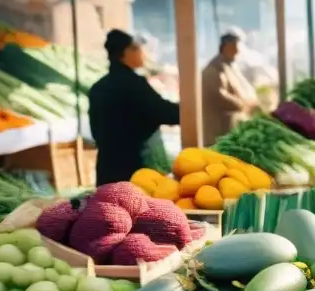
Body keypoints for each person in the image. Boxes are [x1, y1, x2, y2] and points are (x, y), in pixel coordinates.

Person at [88, 29, 179, 186]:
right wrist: (189, 109)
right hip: (136, 172)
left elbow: (96, 131)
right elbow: (165, 113)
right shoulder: (135, 84)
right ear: (125, 53)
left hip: (108, 170)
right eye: (136, 48)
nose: (141, 53)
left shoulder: (98, 88)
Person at [201, 33, 259, 144]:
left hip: (229, 125)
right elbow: (218, 96)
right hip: (217, 128)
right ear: (225, 47)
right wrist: (242, 105)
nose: (237, 52)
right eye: (234, 48)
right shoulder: (214, 69)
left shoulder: (228, 65)